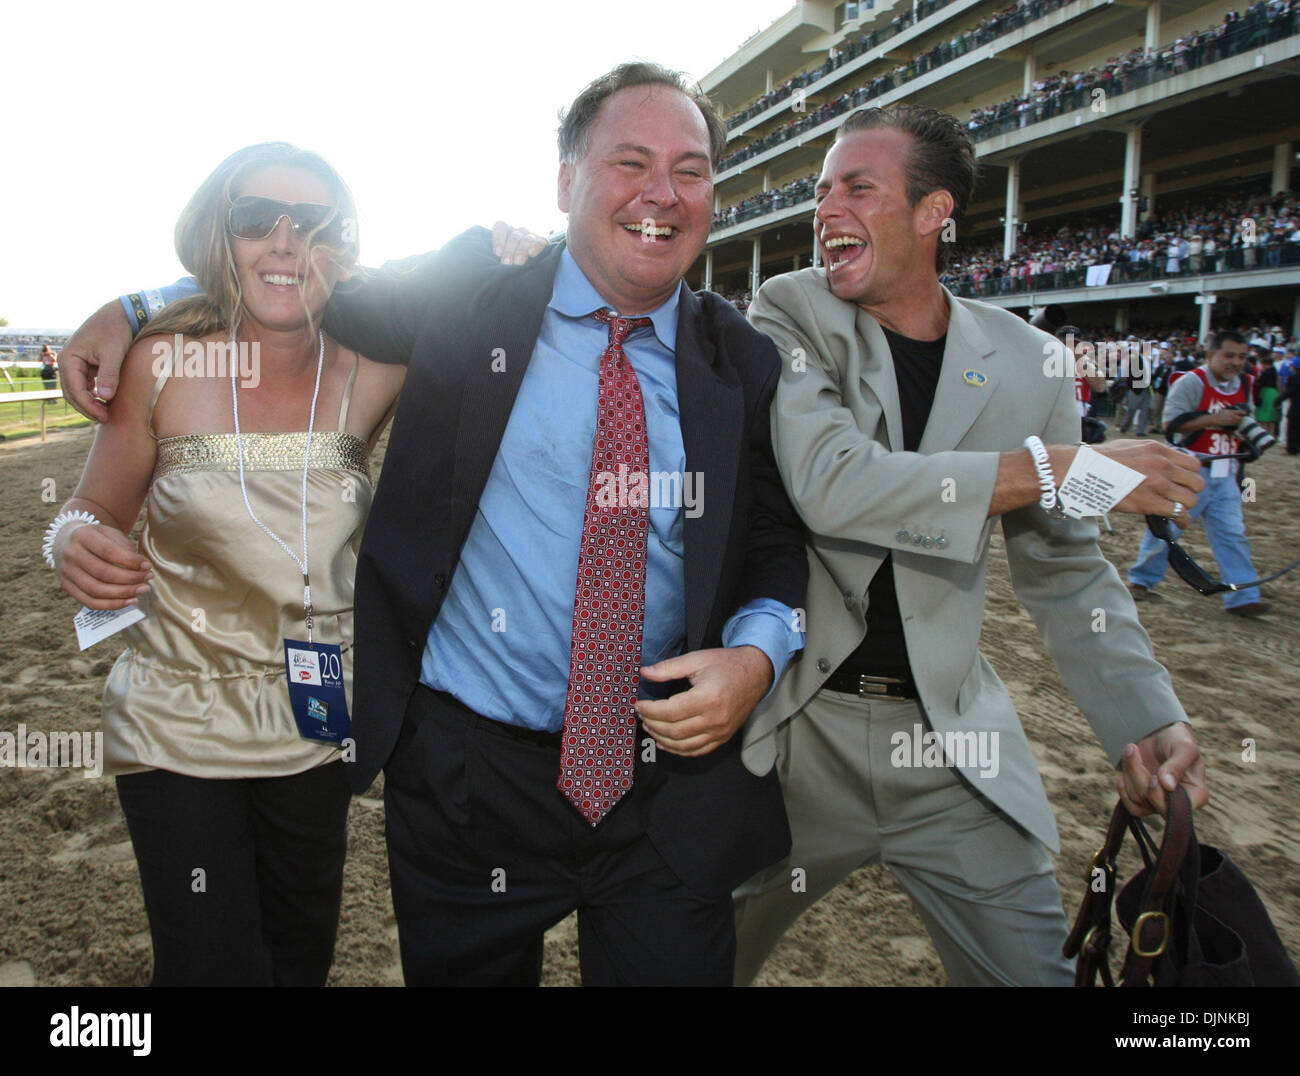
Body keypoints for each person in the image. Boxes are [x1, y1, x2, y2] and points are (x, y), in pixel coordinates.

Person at [57, 63, 809, 987]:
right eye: (630, 161)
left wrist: (760, 654)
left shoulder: (743, 359)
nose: (661, 193)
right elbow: (291, 278)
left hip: (667, 781)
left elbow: (775, 537)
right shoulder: (465, 297)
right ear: (567, 180)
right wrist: (132, 306)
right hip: (465, 785)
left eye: (689, 170)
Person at [730, 104, 1208, 987]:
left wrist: (1145, 716)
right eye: (823, 189)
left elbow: (1066, 566)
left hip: (952, 749)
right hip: (796, 738)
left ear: (932, 211)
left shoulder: (1032, 362)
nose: (826, 205)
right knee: (687, 963)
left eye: (857, 187)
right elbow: (836, 485)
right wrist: (1068, 466)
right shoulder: (790, 310)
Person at [46, 142, 404, 986]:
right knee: (211, 965)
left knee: (297, 958)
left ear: (342, 247)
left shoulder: (380, 371)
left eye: (312, 223)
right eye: (256, 220)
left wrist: (508, 246)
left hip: (316, 716)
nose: (285, 242)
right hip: (176, 718)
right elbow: (91, 507)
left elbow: (473, 308)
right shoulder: (159, 361)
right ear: (222, 232)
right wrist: (68, 540)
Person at [1128, 329, 1269, 616]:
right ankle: (1141, 581)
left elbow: (1246, 420)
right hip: (1190, 471)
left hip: (1226, 473)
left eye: (1242, 356)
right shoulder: (1192, 382)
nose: (1236, 362)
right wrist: (1216, 420)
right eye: (1229, 355)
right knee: (1166, 531)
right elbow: (1170, 423)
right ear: (1210, 354)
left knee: (1233, 535)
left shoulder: (1244, 382)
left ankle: (1243, 597)